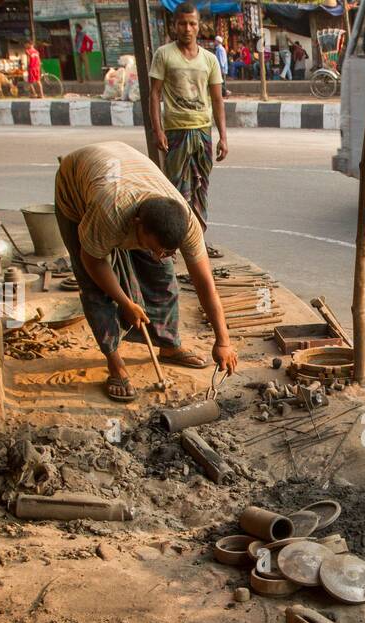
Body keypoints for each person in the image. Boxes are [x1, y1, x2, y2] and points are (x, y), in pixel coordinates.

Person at [54, 141, 238, 403]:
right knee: (94, 288)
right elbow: (93, 262)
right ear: (137, 225)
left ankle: (169, 345)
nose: (161, 255)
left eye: (167, 251)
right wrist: (125, 302)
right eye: (154, 247)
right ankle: (115, 363)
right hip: (77, 185)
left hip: (126, 165)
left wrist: (223, 341)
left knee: (162, 276)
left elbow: (206, 286)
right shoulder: (110, 214)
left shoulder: (186, 224)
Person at [149, 2, 228, 260]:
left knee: (200, 188)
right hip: (176, 131)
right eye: (182, 23)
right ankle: (172, 242)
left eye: (192, 23)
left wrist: (223, 137)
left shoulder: (209, 59)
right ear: (175, 26)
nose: (187, 28)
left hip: (203, 131)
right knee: (175, 188)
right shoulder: (164, 54)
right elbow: (155, 94)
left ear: (199, 26)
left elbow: (217, 100)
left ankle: (197, 240)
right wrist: (157, 130)